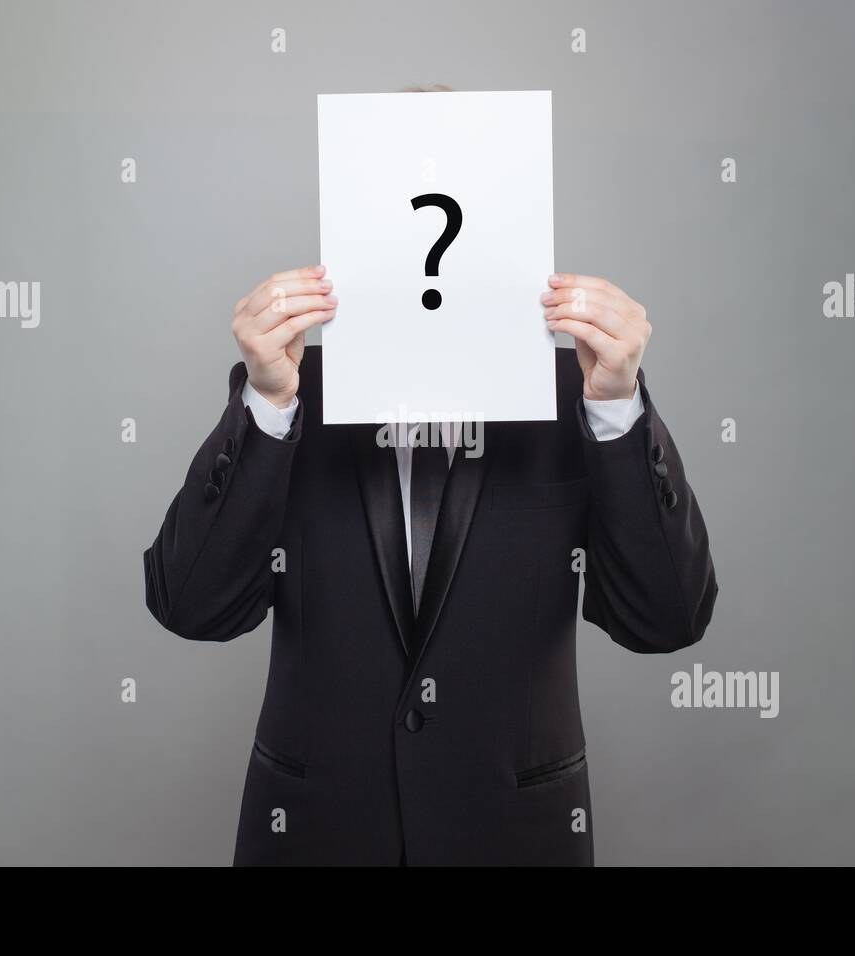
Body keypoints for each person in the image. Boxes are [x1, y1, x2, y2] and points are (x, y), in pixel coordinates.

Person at [143, 258, 718, 866]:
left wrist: (615, 410)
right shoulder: (292, 385)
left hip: (514, 838)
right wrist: (266, 404)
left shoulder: (575, 389)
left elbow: (666, 620)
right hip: (316, 837)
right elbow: (192, 607)